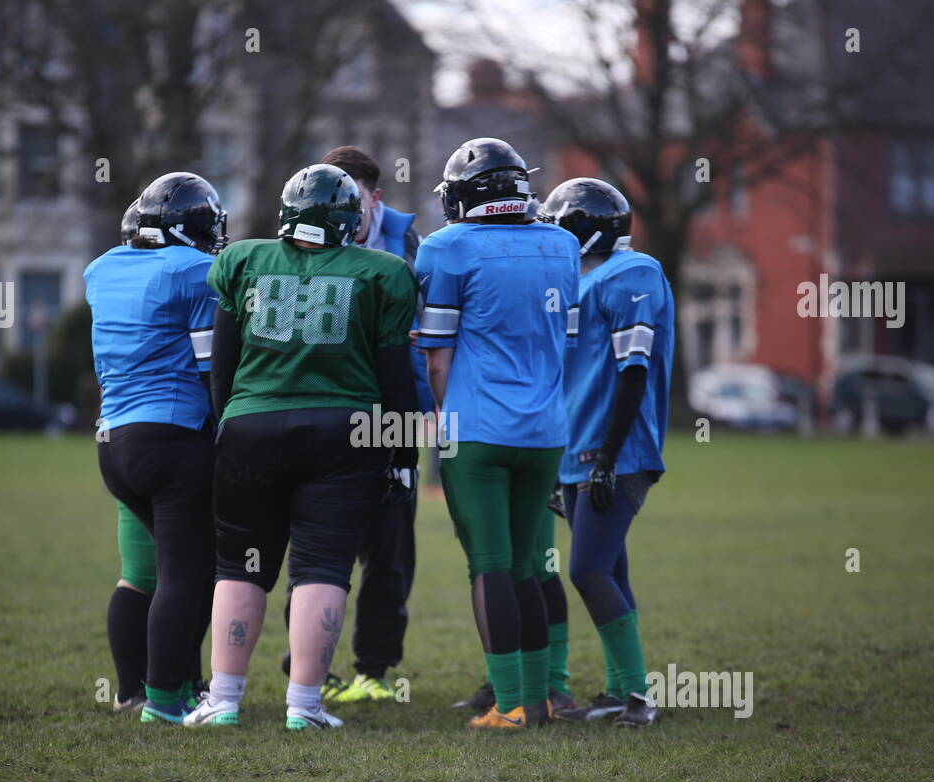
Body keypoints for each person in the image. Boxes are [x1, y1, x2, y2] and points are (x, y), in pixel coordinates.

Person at [186, 163, 419, 731]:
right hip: (345, 435)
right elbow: (397, 382)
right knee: (322, 569)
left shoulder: (243, 261)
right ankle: (304, 707)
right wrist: (405, 456)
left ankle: (223, 700)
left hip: (252, 429)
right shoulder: (384, 273)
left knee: (238, 568)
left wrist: (228, 425)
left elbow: (223, 363)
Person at [416, 137, 580, 729]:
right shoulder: (562, 244)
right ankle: (537, 697)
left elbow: (437, 359)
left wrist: (445, 414)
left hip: (479, 429)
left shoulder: (446, 247)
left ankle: (510, 706)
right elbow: (567, 337)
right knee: (527, 566)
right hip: (545, 430)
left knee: (489, 565)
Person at [278, 145, 427, 705]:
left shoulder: (409, 248)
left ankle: (373, 669)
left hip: (390, 414)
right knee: (316, 550)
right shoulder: (305, 237)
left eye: (353, 201)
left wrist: (411, 431)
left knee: (389, 553)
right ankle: (306, 667)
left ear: (374, 199)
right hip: (321, 417)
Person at [86, 172, 227, 725]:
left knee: (156, 570)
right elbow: (210, 366)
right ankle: (167, 699)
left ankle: (145, 690)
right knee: (184, 571)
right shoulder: (195, 272)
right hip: (170, 437)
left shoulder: (101, 269)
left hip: (112, 441)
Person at [536, 177, 674, 727]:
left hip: (612, 448)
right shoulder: (586, 279)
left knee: (588, 569)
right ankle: (620, 690)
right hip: (579, 446)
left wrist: (610, 455)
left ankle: (640, 695)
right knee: (610, 568)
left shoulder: (632, 273)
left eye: (561, 224)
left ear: (587, 229)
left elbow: (633, 370)